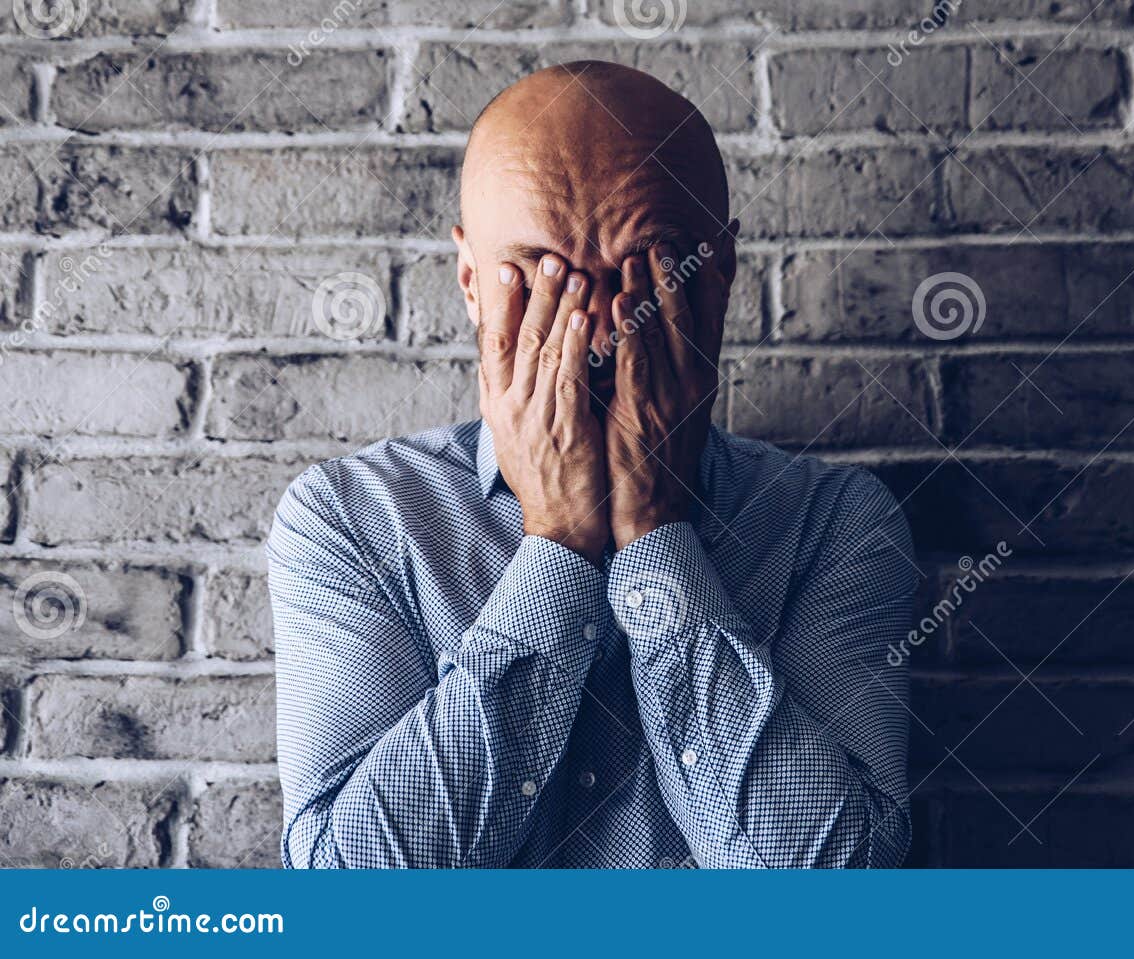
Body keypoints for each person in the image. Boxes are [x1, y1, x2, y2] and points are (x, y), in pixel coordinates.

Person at [266, 61, 917, 868]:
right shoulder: (351, 522)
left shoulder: (835, 526)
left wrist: (654, 530)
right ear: (470, 282)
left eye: (648, 269)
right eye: (543, 277)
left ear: (719, 276)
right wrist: (559, 544)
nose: (600, 331)